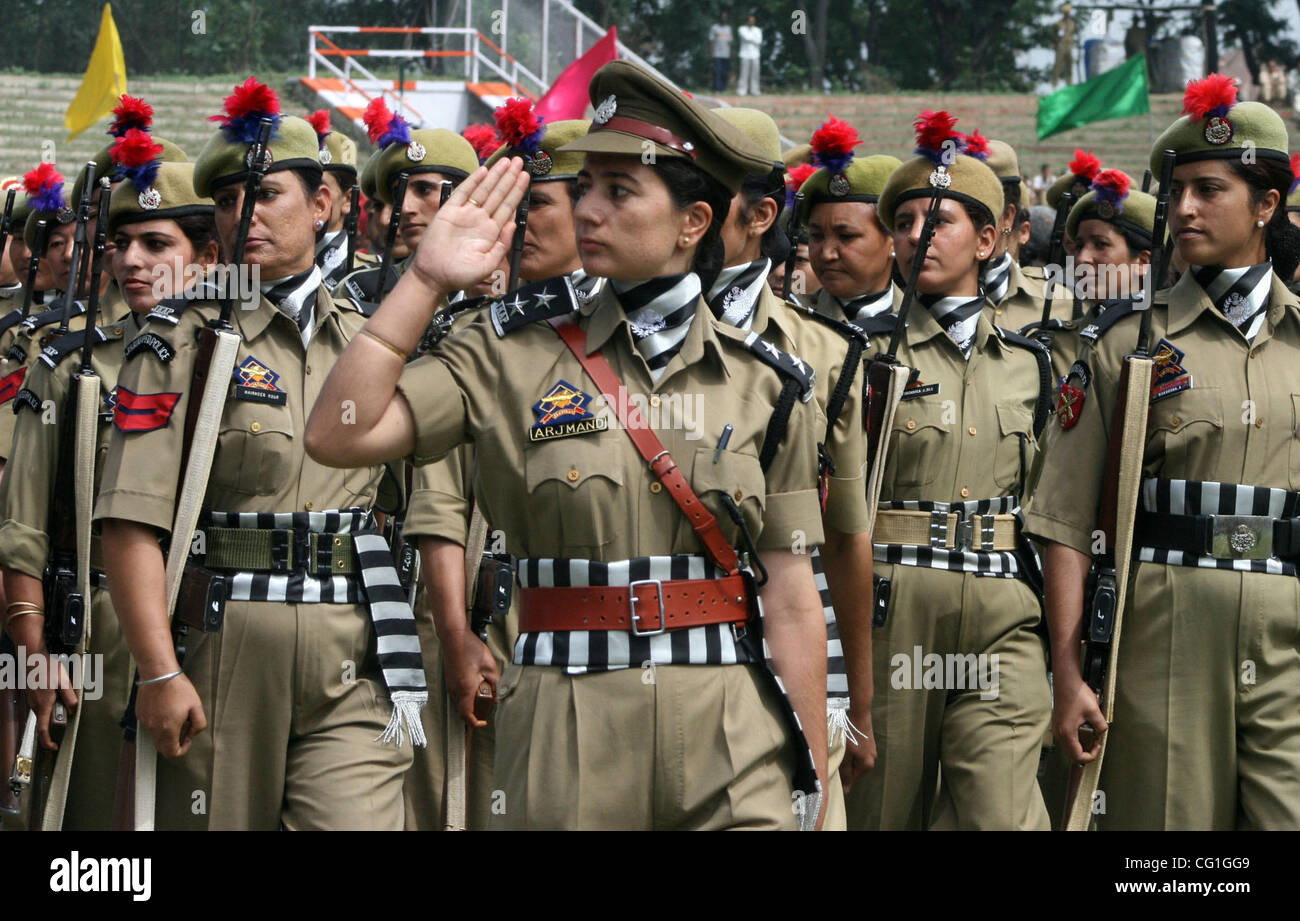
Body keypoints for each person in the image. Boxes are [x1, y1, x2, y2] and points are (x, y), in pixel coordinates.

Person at [305, 60, 831, 830]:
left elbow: (789, 595)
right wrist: (424, 278)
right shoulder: (509, 350)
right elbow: (340, 431)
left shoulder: (769, 384)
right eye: (585, 187)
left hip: (731, 730)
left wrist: (810, 769)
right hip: (566, 722)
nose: (589, 208)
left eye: (620, 192)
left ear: (692, 222)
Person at [95, 79, 419, 830]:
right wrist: (158, 669)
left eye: (266, 194)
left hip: (355, 648)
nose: (247, 215)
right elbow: (130, 520)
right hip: (224, 649)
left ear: (323, 203)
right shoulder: (180, 337)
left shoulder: (371, 339)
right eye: (231, 201)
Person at [1026, 74, 1300, 829]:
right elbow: (1064, 517)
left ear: (1267, 205)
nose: (1182, 209)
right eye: (1177, 190)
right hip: (1165, 631)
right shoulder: (1130, 341)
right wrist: (1070, 671)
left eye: (1209, 190)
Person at [844, 111, 1054, 831]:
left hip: (1004, 607)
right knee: (884, 809)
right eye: (901, 222)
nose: (914, 235)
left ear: (988, 239)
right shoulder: (859, 354)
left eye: (937, 220)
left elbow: (1050, 503)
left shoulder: (1033, 363)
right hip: (892, 604)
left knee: (1002, 812)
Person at [0, 156, 218, 830]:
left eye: (157, 244)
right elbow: (23, 526)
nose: (133, 260)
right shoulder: (69, 363)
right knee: (95, 823)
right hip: (97, 629)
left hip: (214, 627)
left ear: (209, 256)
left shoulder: (231, 359)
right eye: (121, 243)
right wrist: (34, 652)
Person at [402, 107, 595, 831]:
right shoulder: (480, 338)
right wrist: (455, 631)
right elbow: (441, 501)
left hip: (598, 618)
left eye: (538, 206)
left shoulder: (646, 336)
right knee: (474, 800)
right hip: (495, 609)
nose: (517, 226)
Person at [710, 106, 878, 831]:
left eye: (704, 197)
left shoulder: (827, 352)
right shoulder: (604, 338)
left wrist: (860, 702)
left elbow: (844, 536)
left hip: (795, 646)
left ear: (758, 215)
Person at [798, 118, 900, 327]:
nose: (827, 254)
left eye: (846, 236)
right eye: (816, 236)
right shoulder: (793, 323)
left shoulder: (928, 322)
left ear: (893, 239)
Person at [305, 110, 376, 288]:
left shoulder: (368, 274)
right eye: (302, 186)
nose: (305, 196)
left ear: (348, 200)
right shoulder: (263, 264)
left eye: (319, 188)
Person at [737, 14, 763, 97]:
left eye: (753, 20)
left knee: (755, 74)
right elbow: (746, 38)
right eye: (750, 20)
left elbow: (759, 41)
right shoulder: (742, 29)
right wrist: (753, 39)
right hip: (744, 54)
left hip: (755, 54)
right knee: (744, 73)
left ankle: (754, 90)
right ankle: (742, 90)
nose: (751, 22)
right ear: (747, 21)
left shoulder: (758, 30)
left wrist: (751, 39)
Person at [708, 12, 733, 93]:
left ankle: (723, 89)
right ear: (719, 18)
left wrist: (731, 53)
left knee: (724, 72)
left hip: (726, 54)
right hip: (717, 53)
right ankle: (717, 89)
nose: (724, 18)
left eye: (725, 17)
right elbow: (711, 41)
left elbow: (730, 42)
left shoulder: (728, 28)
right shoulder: (714, 27)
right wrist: (711, 53)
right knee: (717, 71)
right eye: (722, 17)